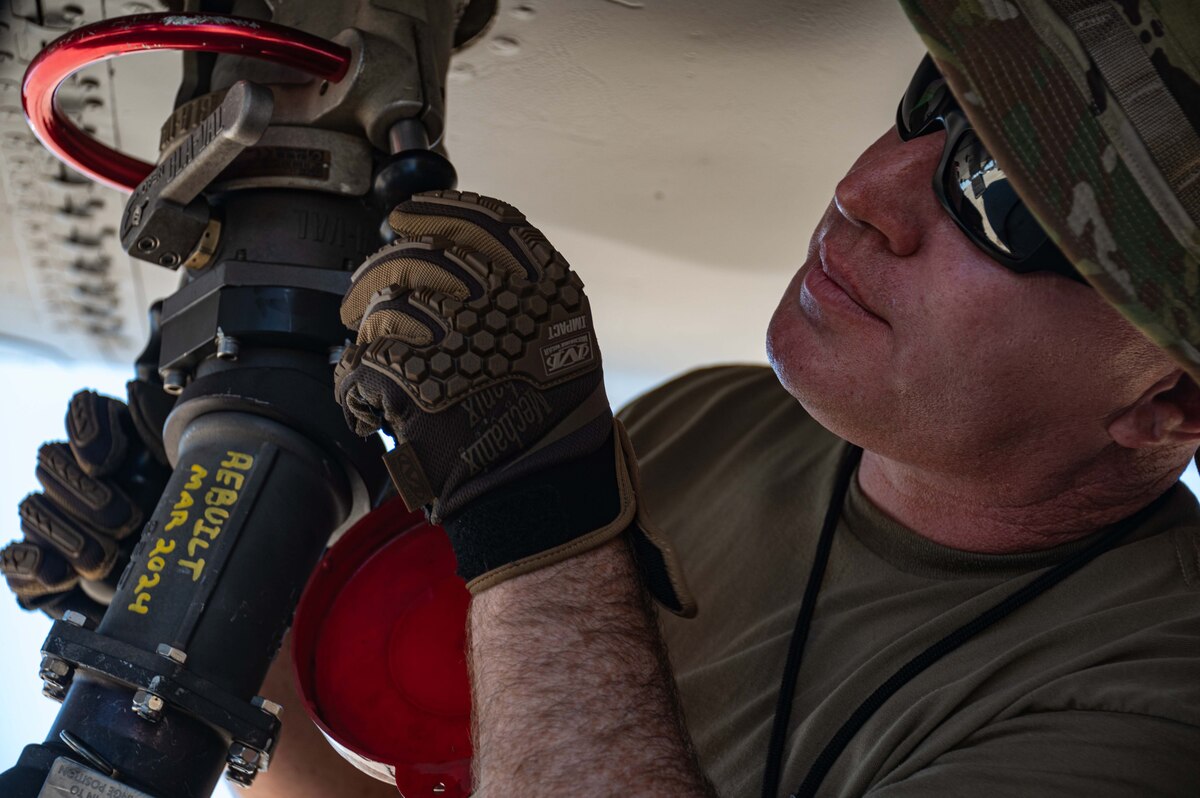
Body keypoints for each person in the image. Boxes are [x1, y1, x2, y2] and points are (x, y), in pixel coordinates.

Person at [6, 0, 1199, 796]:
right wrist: (201, 607)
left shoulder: (1143, 715)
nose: (871, 190)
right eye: (931, 108)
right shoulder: (729, 423)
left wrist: (542, 519)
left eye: (1000, 199)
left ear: (1170, 404)